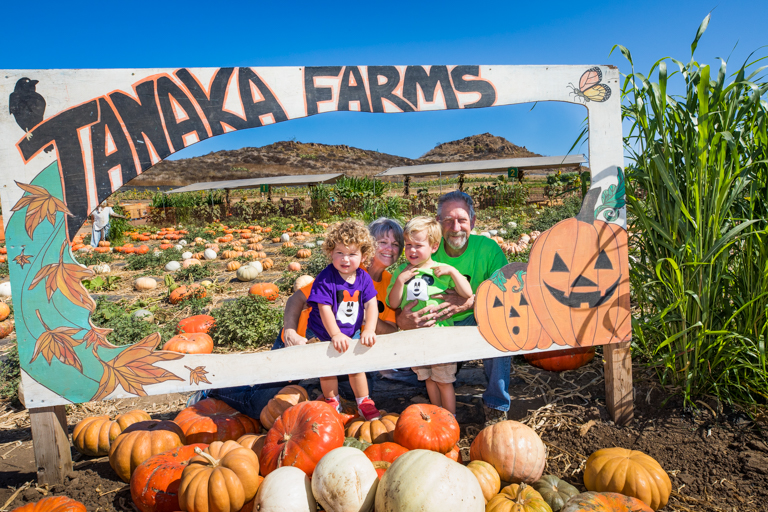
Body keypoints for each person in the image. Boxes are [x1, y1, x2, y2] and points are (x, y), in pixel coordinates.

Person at [197, 218, 404, 418]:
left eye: (395, 243)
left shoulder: (389, 283)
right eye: (383, 242)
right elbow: (296, 300)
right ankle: (214, 389)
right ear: (369, 244)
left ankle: (318, 391)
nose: (389, 248)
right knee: (260, 405)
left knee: (361, 382)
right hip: (307, 334)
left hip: (345, 340)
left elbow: (392, 329)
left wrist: (369, 325)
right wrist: (290, 332)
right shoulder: (337, 272)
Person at [397, 191, 513, 426]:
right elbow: (400, 294)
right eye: (448, 220)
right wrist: (403, 319)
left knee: (500, 327)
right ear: (438, 224)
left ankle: (495, 405)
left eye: (461, 219)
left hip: (475, 321)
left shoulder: (488, 249)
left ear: (473, 221)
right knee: (424, 371)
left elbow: (506, 291)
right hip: (437, 327)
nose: (455, 226)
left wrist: (471, 302)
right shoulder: (426, 250)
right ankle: (435, 403)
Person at [387, 216, 472, 414]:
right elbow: (393, 303)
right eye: (408, 245)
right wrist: (400, 281)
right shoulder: (401, 272)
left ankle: (450, 420)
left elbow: (467, 293)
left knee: (444, 381)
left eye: (418, 245)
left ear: (434, 247)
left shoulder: (440, 270)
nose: (412, 250)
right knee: (429, 379)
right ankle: (436, 415)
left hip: (440, 337)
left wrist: (452, 272)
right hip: (416, 338)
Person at [305, 219, 380, 420]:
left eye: (352, 254)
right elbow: (324, 308)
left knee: (356, 366)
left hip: (351, 330)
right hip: (323, 331)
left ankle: (363, 400)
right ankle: (332, 400)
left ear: (363, 255)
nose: (345, 259)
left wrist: (369, 329)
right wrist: (335, 334)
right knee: (328, 367)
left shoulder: (363, 278)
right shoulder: (326, 278)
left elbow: (371, 304)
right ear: (331, 253)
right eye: (340, 253)